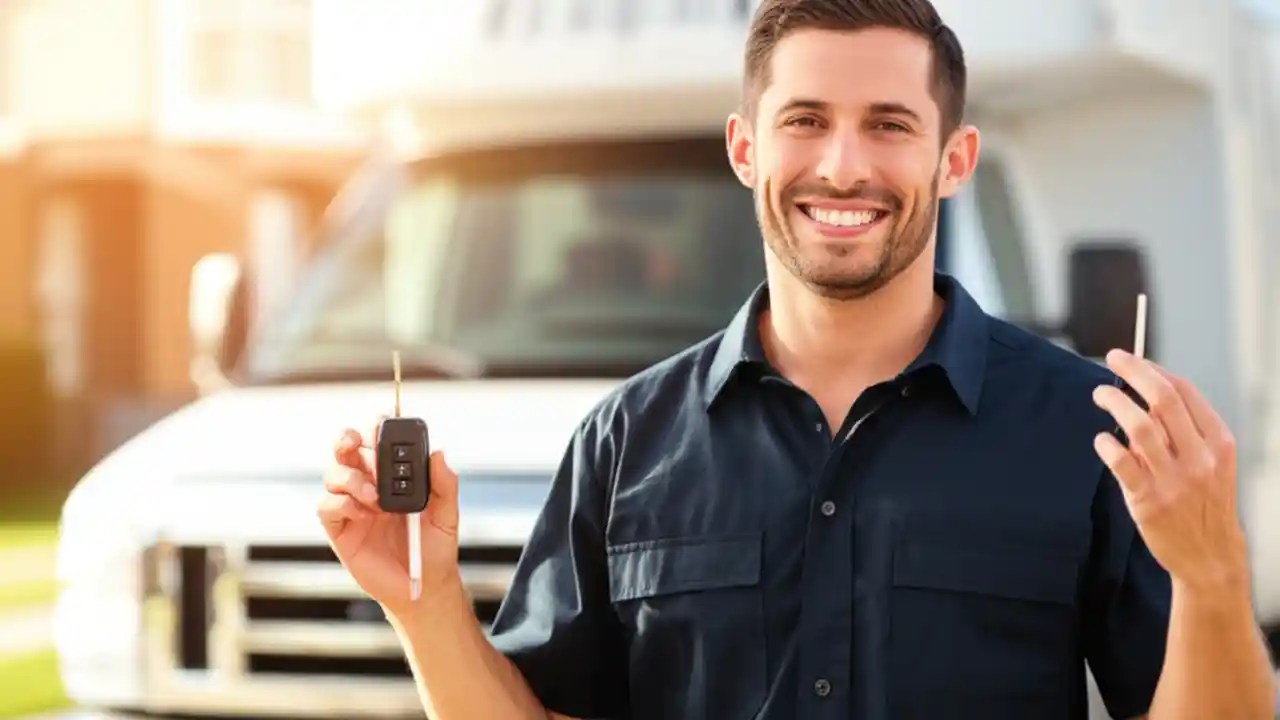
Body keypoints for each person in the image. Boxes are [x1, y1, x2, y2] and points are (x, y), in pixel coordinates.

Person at [317, 0, 1278, 717]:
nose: (844, 166)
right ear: (746, 147)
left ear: (955, 158)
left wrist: (1214, 578)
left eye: (890, 125)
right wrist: (426, 602)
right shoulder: (625, 440)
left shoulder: (1090, 433)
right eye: (805, 119)